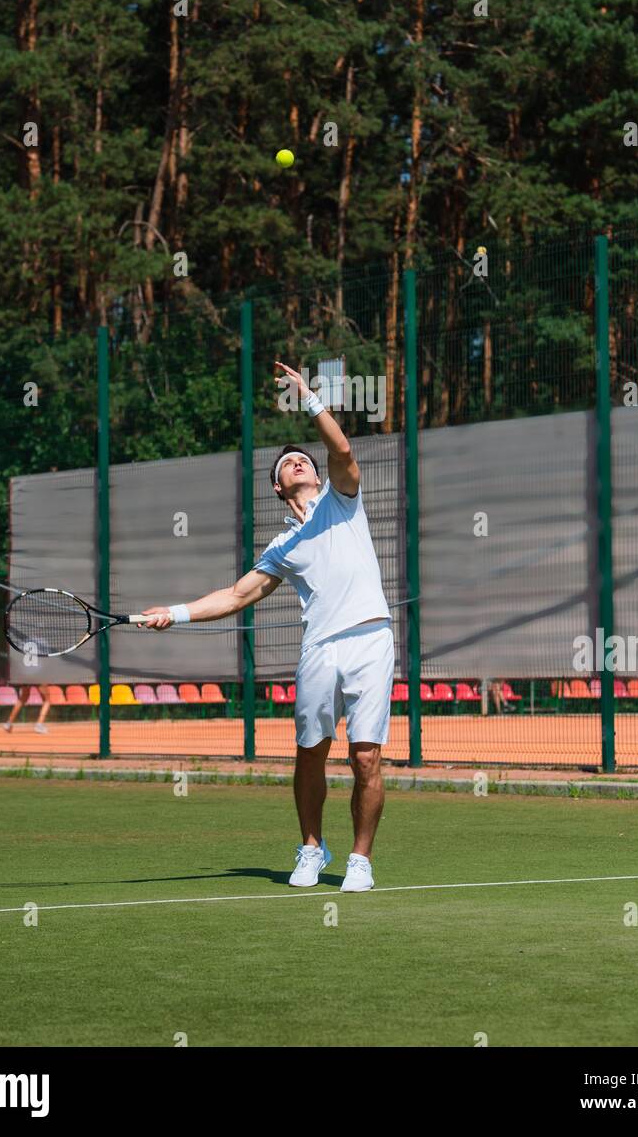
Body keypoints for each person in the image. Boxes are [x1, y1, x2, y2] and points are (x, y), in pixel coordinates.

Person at [140, 361, 394, 893]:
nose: (298, 463)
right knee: (311, 753)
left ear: (317, 475)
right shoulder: (281, 547)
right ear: (278, 489)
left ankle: (360, 860)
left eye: (304, 459)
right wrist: (175, 612)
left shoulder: (343, 500)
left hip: (371, 637)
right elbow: (236, 595)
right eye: (288, 464)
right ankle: (310, 847)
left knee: (366, 755)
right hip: (320, 648)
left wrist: (307, 398)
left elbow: (344, 451)